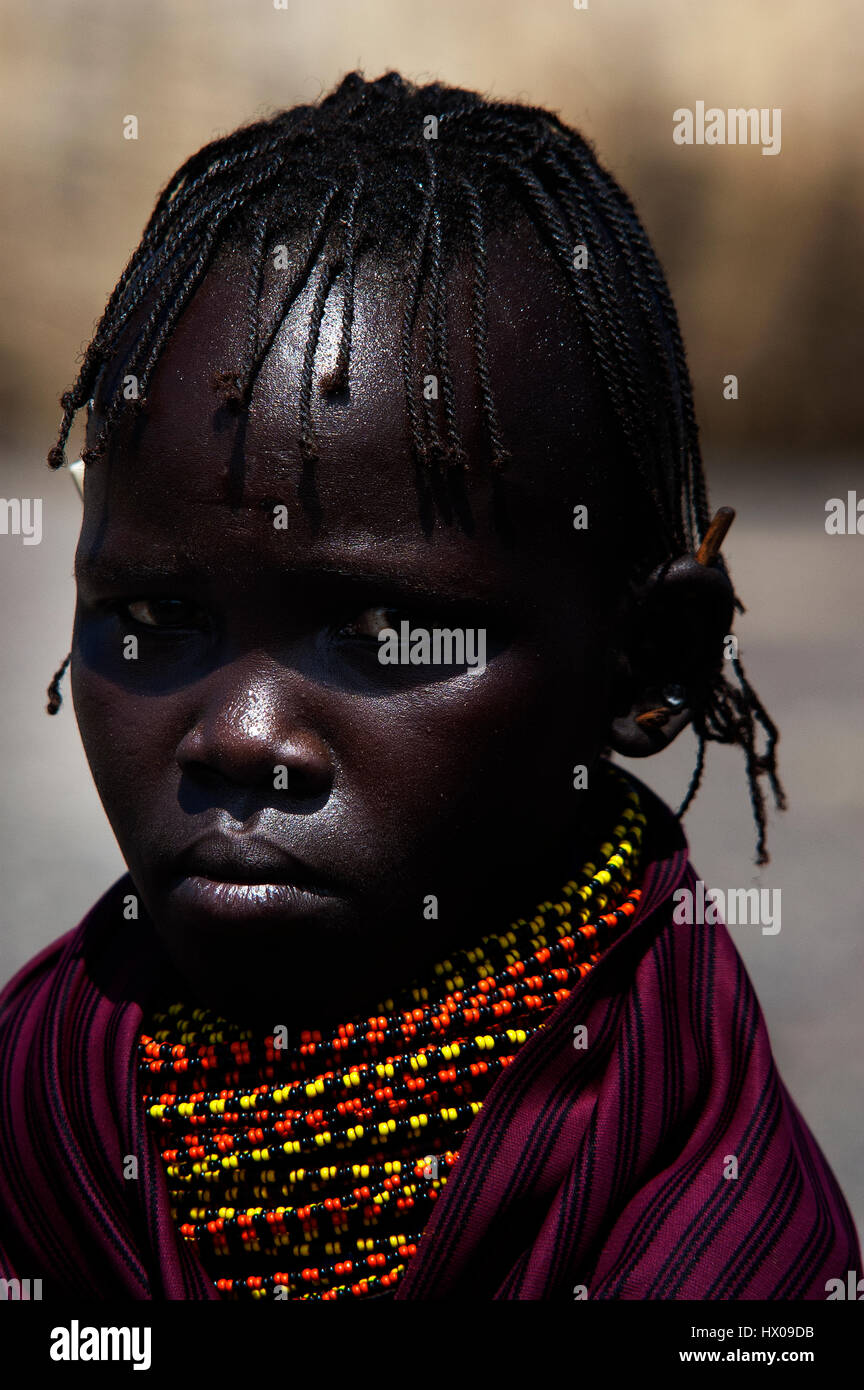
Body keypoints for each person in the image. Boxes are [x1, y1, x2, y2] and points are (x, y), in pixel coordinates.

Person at [0, 71, 857, 1301]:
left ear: (649, 664)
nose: (240, 738)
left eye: (387, 632)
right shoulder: (43, 1134)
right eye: (153, 617)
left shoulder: (713, 1251)